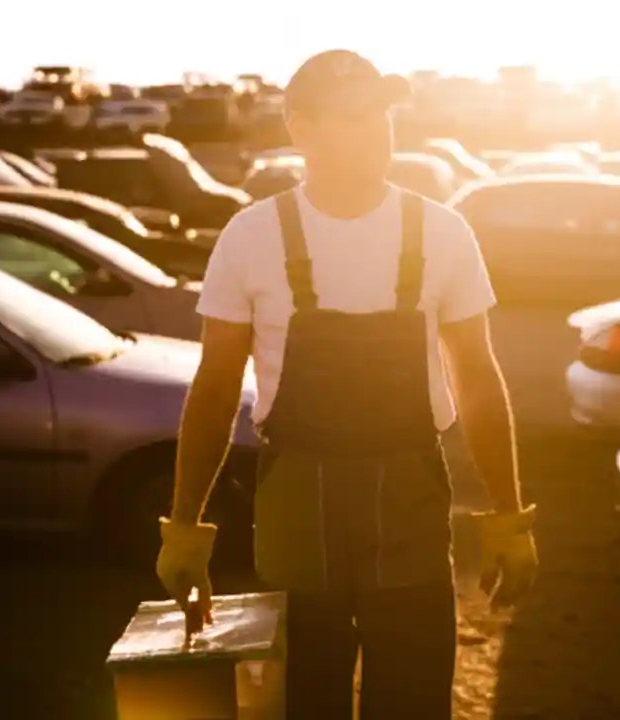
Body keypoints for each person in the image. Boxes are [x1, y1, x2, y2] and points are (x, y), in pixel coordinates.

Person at [156, 49, 539, 719]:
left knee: (414, 705)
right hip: (297, 513)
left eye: (382, 114)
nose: (377, 130)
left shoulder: (442, 233)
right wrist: (186, 527)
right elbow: (215, 389)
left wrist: (509, 516)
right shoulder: (251, 237)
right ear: (301, 129)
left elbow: (476, 378)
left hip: (412, 510)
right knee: (304, 703)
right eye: (354, 117)